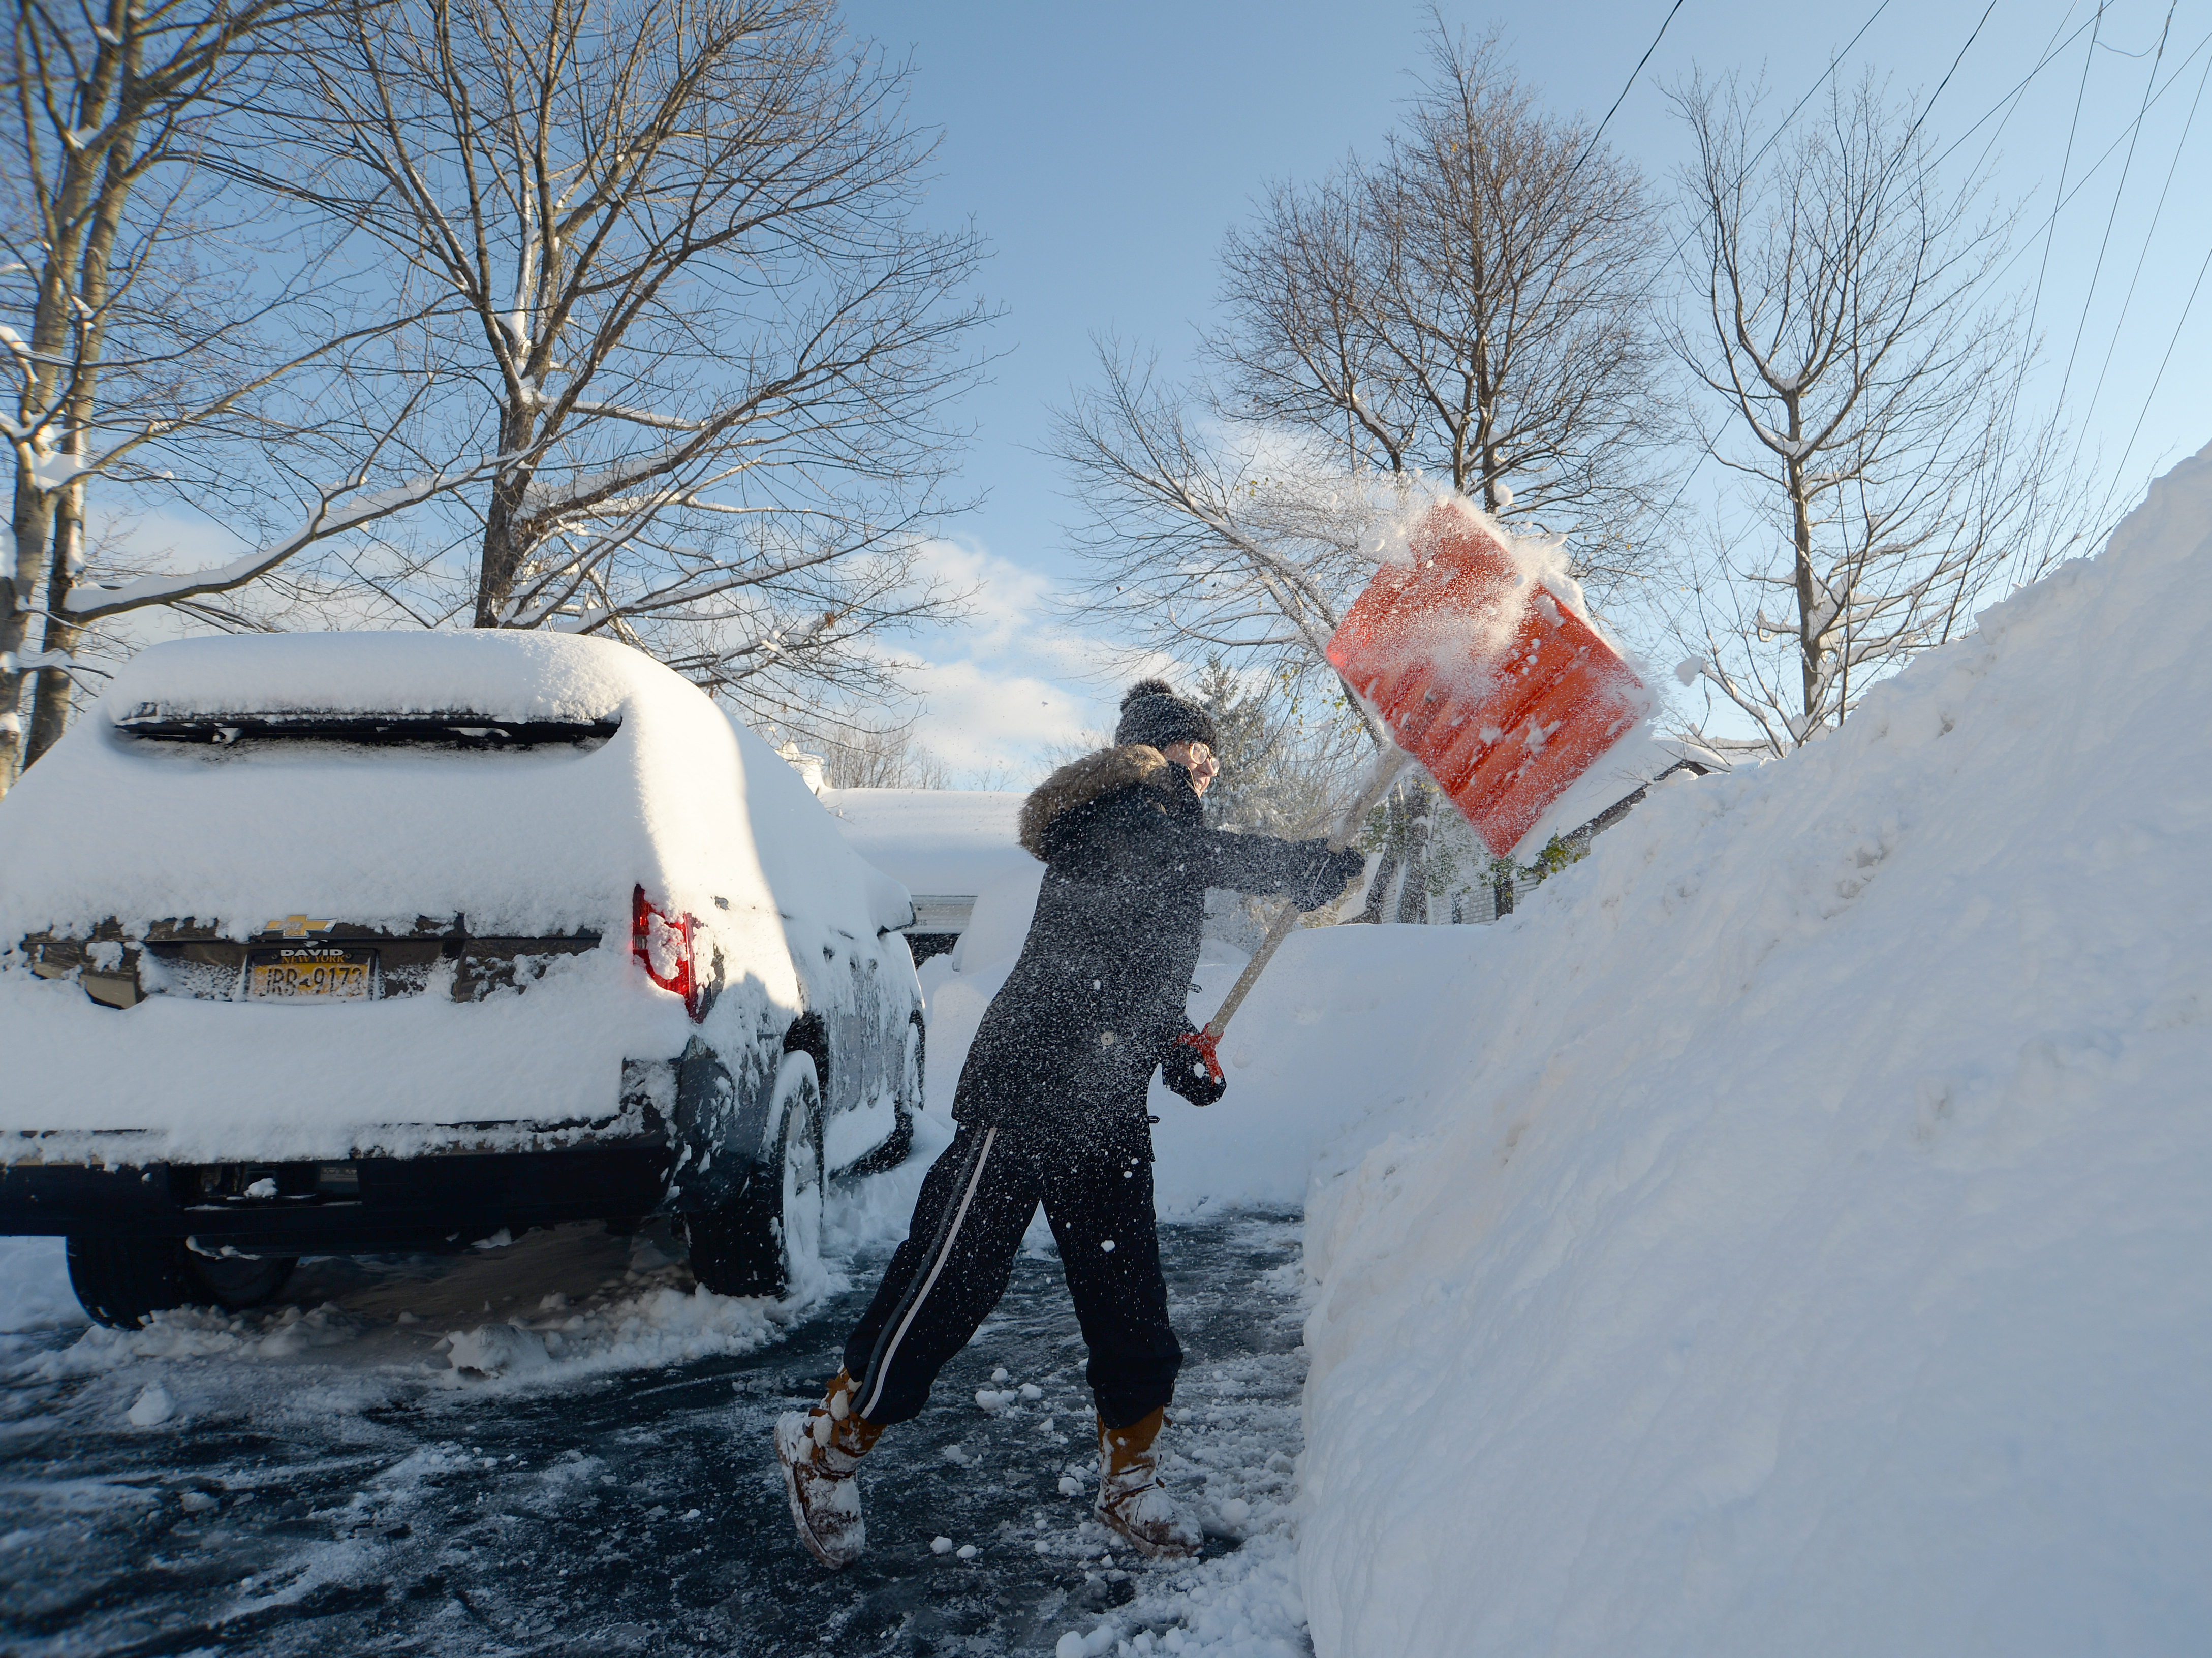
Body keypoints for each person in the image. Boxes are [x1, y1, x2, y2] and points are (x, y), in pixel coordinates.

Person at [774, 677, 1367, 1569]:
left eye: (1211, 761)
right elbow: (1162, 853)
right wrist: (1294, 865)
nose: (1204, 773)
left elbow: (1129, 969)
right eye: (1191, 755)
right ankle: (826, 1447)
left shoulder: (1168, 841)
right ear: (1150, 756)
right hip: (1025, 1093)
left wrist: (1173, 1046)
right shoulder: (1112, 818)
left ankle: (1129, 1478)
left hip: (1106, 1102)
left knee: (1129, 1300)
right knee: (950, 1283)